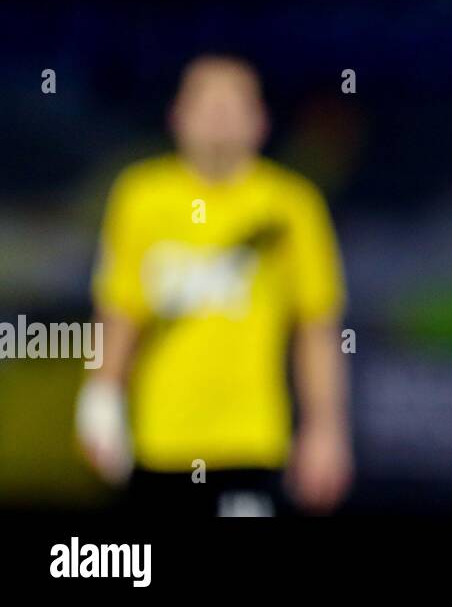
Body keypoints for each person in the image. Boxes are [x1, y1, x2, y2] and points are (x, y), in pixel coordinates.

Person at [75, 54, 352, 515]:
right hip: (159, 442)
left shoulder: (291, 205)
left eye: (233, 105)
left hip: (250, 443)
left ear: (260, 121)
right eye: (207, 104)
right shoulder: (141, 195)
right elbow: (120, 308)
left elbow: (316, 326)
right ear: (177, 115)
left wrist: (326, 429)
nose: (219, 118)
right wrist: (100, 397)